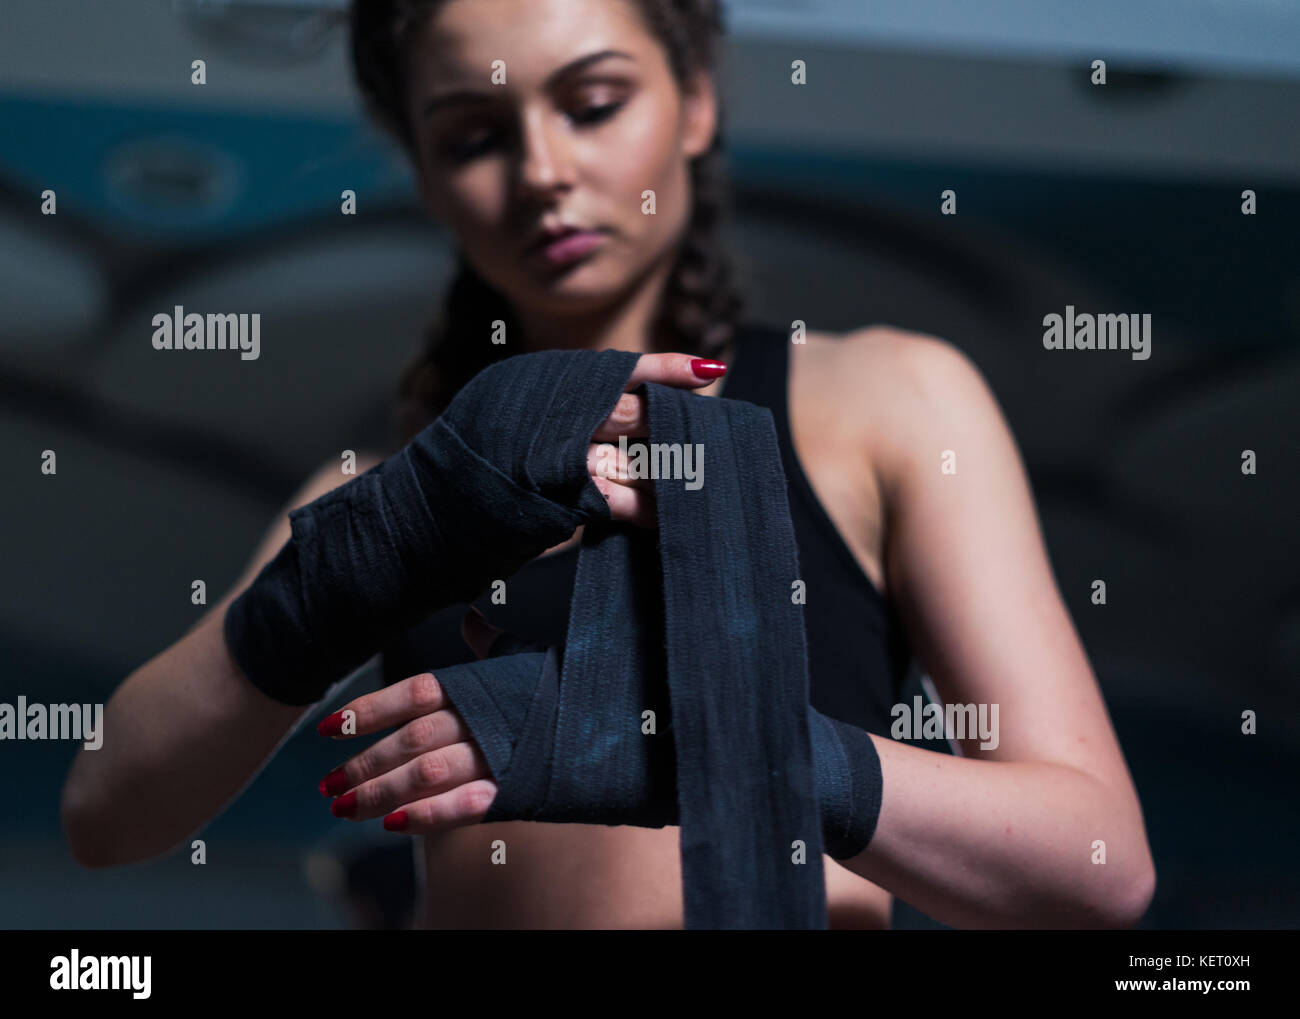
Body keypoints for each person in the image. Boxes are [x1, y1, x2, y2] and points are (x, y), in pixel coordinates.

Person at [61, 0, 1156, 930]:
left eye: (592, 105)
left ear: (697, 102)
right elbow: (106, 813)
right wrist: (359, 555)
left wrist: (737, 748)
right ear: (429, 180)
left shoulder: (885, 396)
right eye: (473, 134)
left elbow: (1100, 865)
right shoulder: (390, 489)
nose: (542, 171)